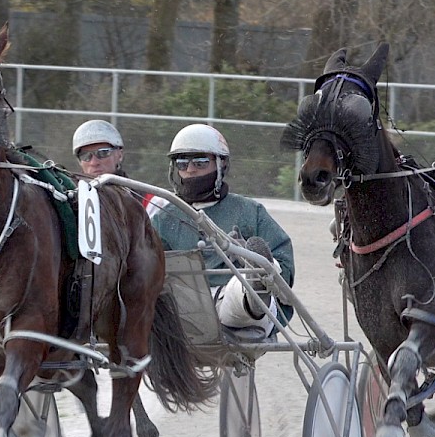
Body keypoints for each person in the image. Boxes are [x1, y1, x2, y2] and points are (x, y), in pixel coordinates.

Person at [150, 123, 295, 338]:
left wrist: (251, 258)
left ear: (221, 164)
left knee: (240, 286)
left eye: (200, 161)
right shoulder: (164, 218)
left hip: (238, 306)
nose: (190, 169)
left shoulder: (249, 211)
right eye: (182, 162)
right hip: (183, 309)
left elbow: (286, 267)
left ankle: (253, 291)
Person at [71, 119, 166, 218]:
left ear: (119, 155)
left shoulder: (148, 201)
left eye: (103, 153)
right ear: (79, 161)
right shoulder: (69, 199)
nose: (94, 162)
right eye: (85, 156)